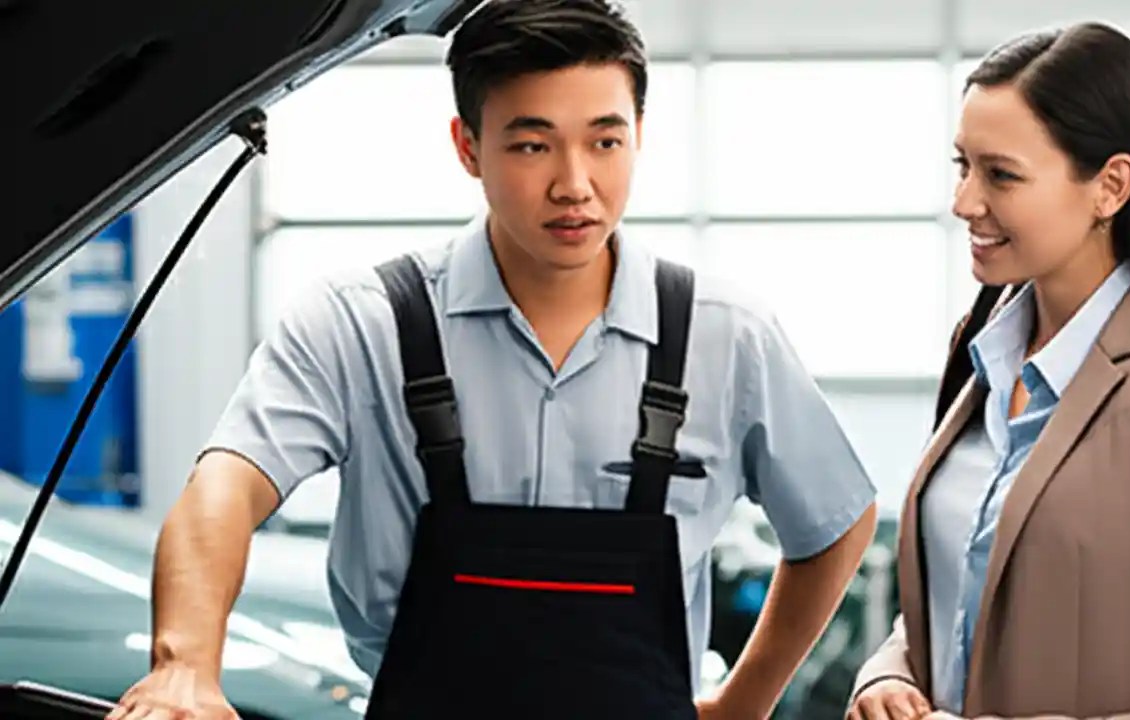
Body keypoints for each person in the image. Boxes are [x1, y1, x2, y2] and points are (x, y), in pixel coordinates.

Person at [108, 1, 880, 718]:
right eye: (532, 144)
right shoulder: (360, 322)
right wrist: (185, 663)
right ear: (468, 147)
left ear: (639, 134)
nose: (575, 185)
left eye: (605, 141)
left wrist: (744, 704)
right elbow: (226, 484)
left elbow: (836, 521)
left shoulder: (726, 336)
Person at [848, 21, 1130, 720]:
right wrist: (887, 674)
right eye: (962, 165)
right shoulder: (981, 351)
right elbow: (961, 586)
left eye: (1002, 175)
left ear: (1110, 186)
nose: (964, 202)